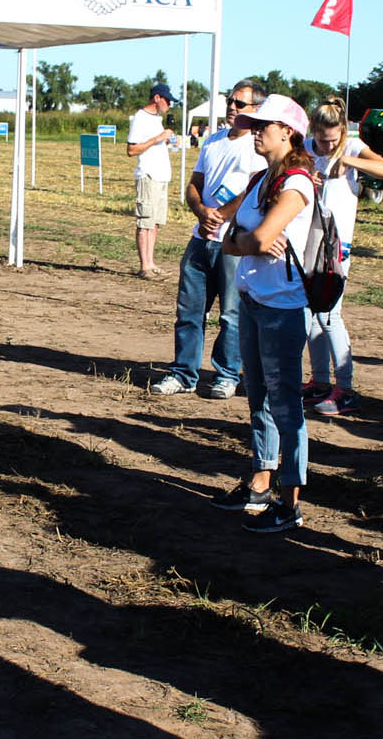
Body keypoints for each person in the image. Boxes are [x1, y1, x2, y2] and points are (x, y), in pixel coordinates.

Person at [210, 94, 319, 533]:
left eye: (263, 125)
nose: (255, 132)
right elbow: (229, 238)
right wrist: (248, 240)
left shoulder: (297, 182)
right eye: (253, 125)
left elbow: (254, 238)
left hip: (283, 307)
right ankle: (260, 482)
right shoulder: (260, 179)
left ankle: (289, 502)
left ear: (288, 132)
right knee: (258, 398)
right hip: (254, 299)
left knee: (286, 404)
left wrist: (248, 239)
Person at [149, 79, 268, 399]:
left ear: (256, 109)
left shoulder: (257, 146)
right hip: (200, 239)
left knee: (231, 314)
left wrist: (221, 216)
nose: (232, 107)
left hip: (233, 242)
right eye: (231, 101)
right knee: (189, 311)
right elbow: (194, 185)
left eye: (240, 103)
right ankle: (183, 373)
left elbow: (252, 190)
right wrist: (202, 212)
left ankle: (227, 375)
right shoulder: (213, 141)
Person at [301, 97, 383, 416]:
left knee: (330, 316)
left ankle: (346, 387)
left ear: (342, 130)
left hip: (336, 248)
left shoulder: (352, 146)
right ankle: (319, 381)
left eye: (333, 139)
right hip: (308, 243)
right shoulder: (306, 147)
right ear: (313, 130)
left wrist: (350, 162)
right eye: (322, 140)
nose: (327, 146)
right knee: (312, 316)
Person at [127, 83, 178, 279]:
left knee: (155, 223)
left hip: (161, 176)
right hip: (148, 176)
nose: (169, 106)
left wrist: (166, 140)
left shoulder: (157, 119)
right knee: (145, 221)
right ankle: (144, 266)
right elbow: (132, 150)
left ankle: (151, 263)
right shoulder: (140, 118)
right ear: (157, 98)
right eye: (167, 101)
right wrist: (157, 138)